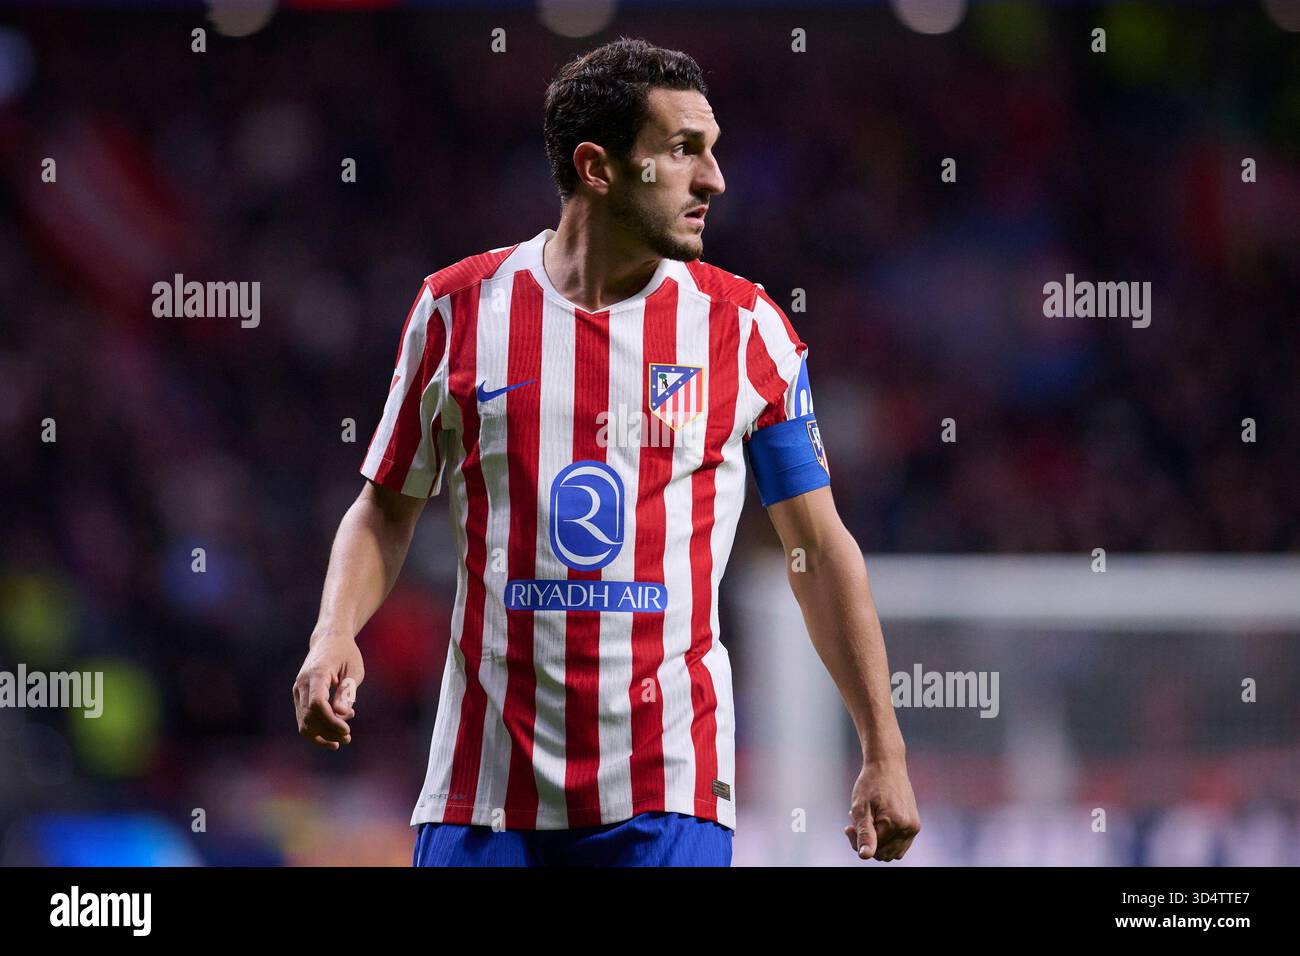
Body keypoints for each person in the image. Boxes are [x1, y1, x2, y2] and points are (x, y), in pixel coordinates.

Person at [293, 37, 919, 867]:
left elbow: (817, 545)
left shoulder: (745, 330)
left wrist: (884, 748)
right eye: (683, 151)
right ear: (598, 167)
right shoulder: (456, 310)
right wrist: (334, 631)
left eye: (714, 151)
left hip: (670, 793)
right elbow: (385, 506)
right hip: (484, 792)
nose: (715, 179)